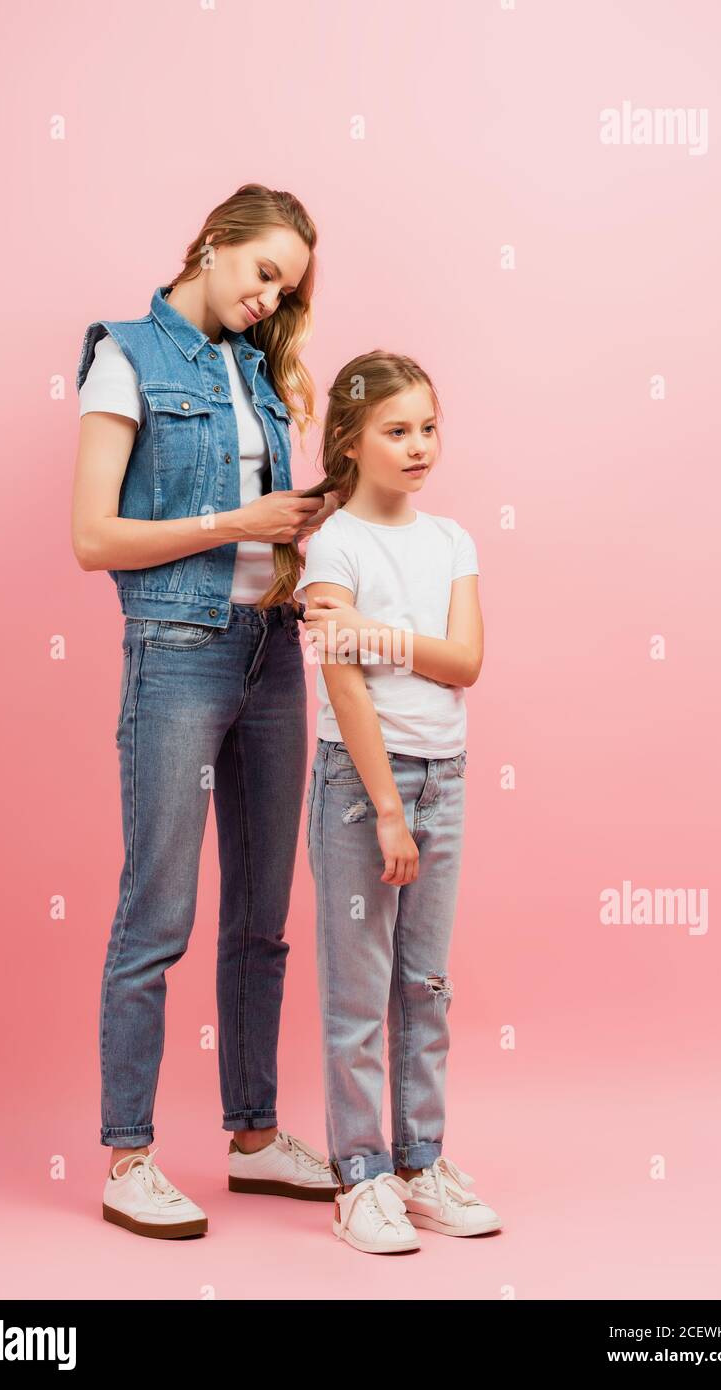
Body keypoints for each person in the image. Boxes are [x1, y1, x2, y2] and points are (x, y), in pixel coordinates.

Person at [71, 183, 340, 1239]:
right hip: (177, 655)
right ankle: (126, 1155)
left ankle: (256, 1132)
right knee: (159, 911)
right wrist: (238, 520)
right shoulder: (125, 354)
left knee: (262, 917)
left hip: (273, 651)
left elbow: (260, 524)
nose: (273, 298)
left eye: (289, 286)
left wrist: (300, 534)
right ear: (215, 243)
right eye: (264, 271)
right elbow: (95, 537)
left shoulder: (257, 372)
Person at [293, 350, 502, 1253]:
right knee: (357, 991)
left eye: (427, 428)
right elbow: (341, 687)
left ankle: (421, 1163)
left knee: (425, 985)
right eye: (396, 430)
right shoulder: (333, 543)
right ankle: (361, 1177)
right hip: (359, 786)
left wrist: (374, 631)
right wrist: (384, 807)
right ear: (350, 440)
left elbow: (464, 665)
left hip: (445, 777)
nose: (418, 446)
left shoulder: (451, 540)